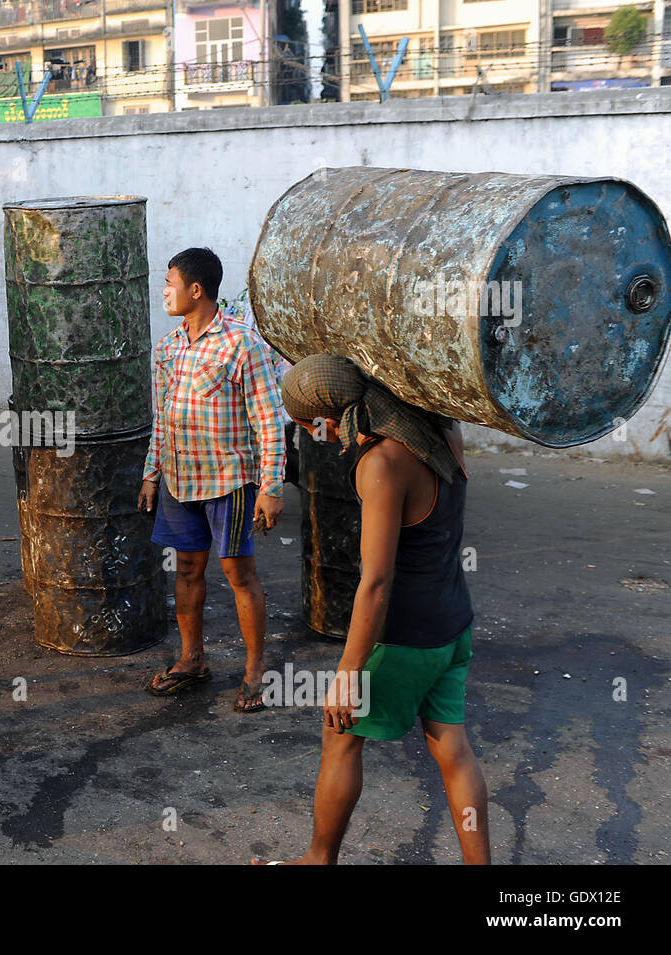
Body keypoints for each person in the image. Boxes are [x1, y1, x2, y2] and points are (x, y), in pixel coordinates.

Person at [257, 353, 488, 865]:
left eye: (314, 424)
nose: (317, 435)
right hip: (453, 624)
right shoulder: (440, 429)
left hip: (405, 636)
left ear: (333, 417)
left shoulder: (381, 464)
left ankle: (318, 861)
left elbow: (376, 582)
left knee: (339, 738)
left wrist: (348, 672)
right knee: (452, 750)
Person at [138, 248, 285, 711]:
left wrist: (271, 486)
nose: (164, 291)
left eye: (169, 282)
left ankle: (255, 670)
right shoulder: (168, 349)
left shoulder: (243, 345)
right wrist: (151, 473)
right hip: (180, 482)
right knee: (186, 569)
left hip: (229, 481)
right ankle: (192, 659)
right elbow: (163, 419)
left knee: (238, 573)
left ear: (195, 289)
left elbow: (269, 421)